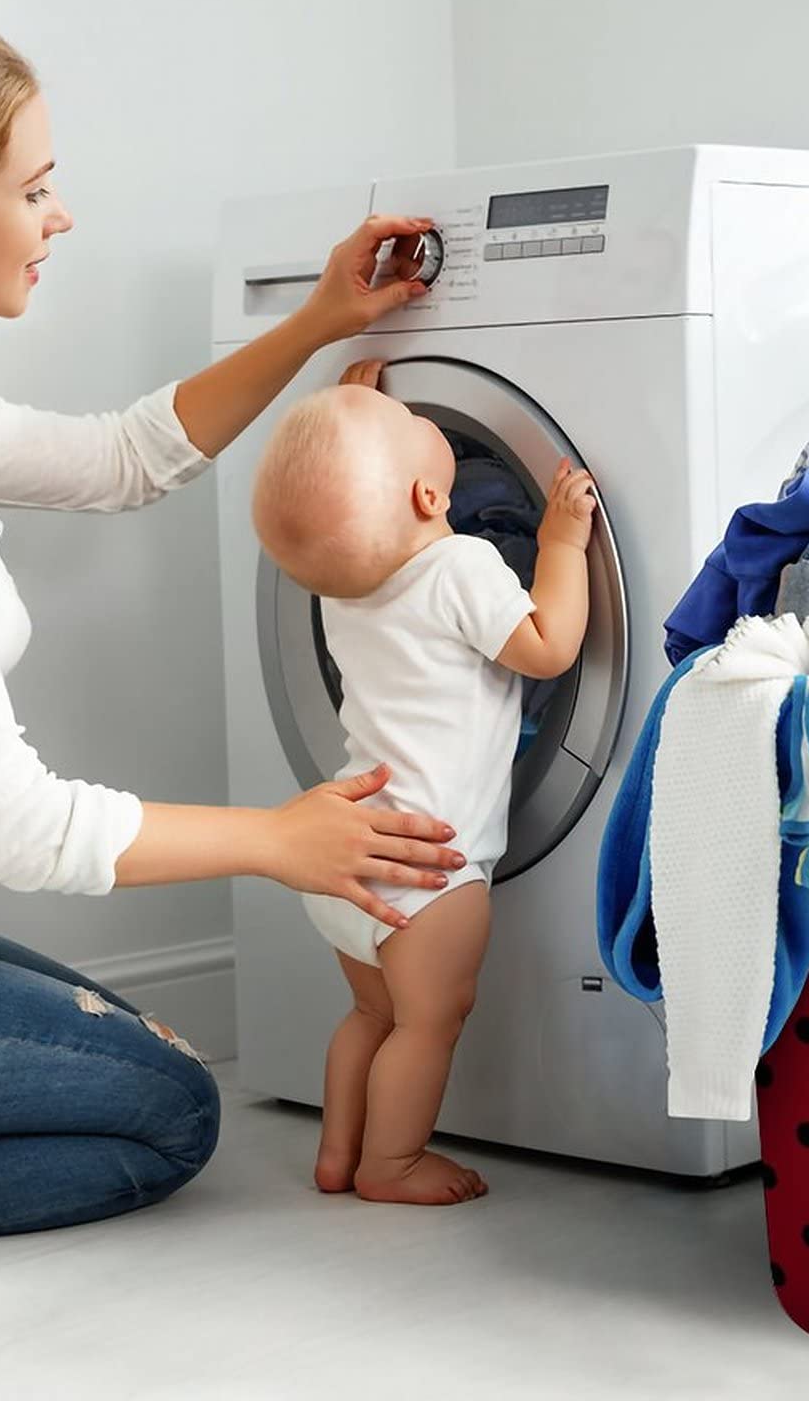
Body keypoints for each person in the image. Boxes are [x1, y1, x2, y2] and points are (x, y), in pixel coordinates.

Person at [0, 11, 463, 1249]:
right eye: (34, 189)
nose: (63, 217)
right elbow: (9, 823)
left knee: (129, 1042)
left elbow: (123, 458)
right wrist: (279, 838)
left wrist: (319, 320)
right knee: (166, 1111)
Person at [252, 380, 595, 1204]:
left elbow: (342, 514)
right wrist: (558, 545)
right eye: (414, 421)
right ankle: (392, 1163)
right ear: (431, 495)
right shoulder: (462, 564)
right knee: (430, 1022)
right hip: (430, 868)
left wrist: (355, 417)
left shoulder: (342, 586)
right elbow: (547, 648)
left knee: (371, 1017)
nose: (421, 414)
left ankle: (338, 1152)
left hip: (350, 847)